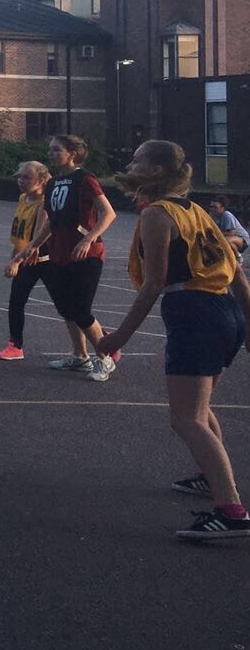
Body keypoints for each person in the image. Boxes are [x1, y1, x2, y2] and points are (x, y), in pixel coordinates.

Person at [97, 141, 250, 540]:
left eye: (137, 158)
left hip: (194, 311)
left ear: (157, 169)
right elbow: (236, 272)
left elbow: (154, 285)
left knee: (187, 419)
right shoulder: (197, 210)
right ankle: (211, 477)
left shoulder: (158, 214)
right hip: (224, 312)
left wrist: (118, 338)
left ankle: (231, 512)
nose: (130, 163)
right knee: (200, 409)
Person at [11, 134, 119, 381]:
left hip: (86, 253)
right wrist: (34, 245)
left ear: (72, 153)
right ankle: (80, 357)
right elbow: (51, 221)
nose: (51, 154)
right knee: (66, 308)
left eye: (57, 150)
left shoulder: (85, 179)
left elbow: (109, 213)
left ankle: (104, 357)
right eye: (50, 149)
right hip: (60, 253)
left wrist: (88, 238)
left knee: (80, 309)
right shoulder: (53, 184)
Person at [0, 160, 52, 360]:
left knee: (69, 306)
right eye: (19, 176)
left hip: (45, 260)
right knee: (16, 302)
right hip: (26, 259)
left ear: (41, 180)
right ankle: (15, 345)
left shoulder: (45, 204)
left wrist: (15, 262)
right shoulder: (23, 199)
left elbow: (36, 239)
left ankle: (103, 339)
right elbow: (23, 233)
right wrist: (15, 250)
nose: (21, 181)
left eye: (26, 177)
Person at [207, 196, 248, 262]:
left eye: (215, 207)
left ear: (222, 207)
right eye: (211, 207)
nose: (212, 209)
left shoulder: (227, 215)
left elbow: (231, 233)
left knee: (225, 240)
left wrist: (215, 233)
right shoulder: (211, 215)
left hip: (242, 240)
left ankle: (238, 256)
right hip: (227, 239)